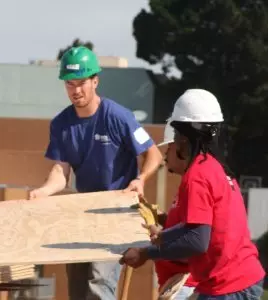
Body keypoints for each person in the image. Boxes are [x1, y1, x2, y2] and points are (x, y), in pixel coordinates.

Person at [29, 46, 163, 300]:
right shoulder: (61, 124)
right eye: (70, 84)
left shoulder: (118, 117)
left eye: (81, 83)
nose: (76, 90)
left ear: (95, 81)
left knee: (99, 283)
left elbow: (153, 154)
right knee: (78, 289)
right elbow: (61, 170)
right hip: (83, 212)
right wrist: (44, 191)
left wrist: (140, 179)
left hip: (116, 213)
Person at [120, 89, 266, 300]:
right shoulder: (215, 168)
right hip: (236, 279)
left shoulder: (198, 174)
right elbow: (201, 229)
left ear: (185, 138)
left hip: (228, 285)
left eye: (177, 133)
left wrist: (150, 249)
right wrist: (164, 226)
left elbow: (197, 241)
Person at [150, 121, 198, 299]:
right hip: (176, 284)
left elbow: (193, 242)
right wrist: (160, 217)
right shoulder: (185, 186)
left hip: (185, 286)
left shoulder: (195, 186)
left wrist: (156, 241)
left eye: (168, 148)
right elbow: (184, 225)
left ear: (181, 150)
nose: (165, 155)